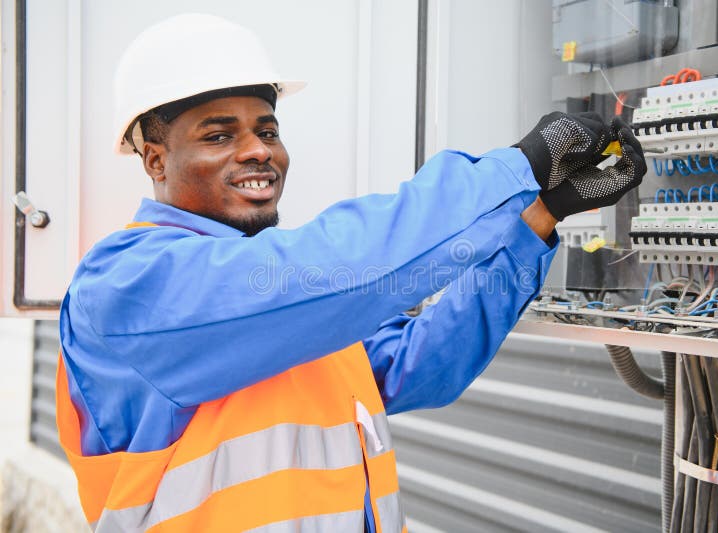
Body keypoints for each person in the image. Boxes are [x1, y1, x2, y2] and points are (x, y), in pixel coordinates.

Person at [56, 13, 645, 533]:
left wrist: (540, 217)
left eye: (267, 130)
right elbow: (334, 266)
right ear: (155, 159)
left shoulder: (303, 311)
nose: (258, 150)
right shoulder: (123, 286)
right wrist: (516, 169)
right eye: (218, 135)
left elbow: (421, 367)